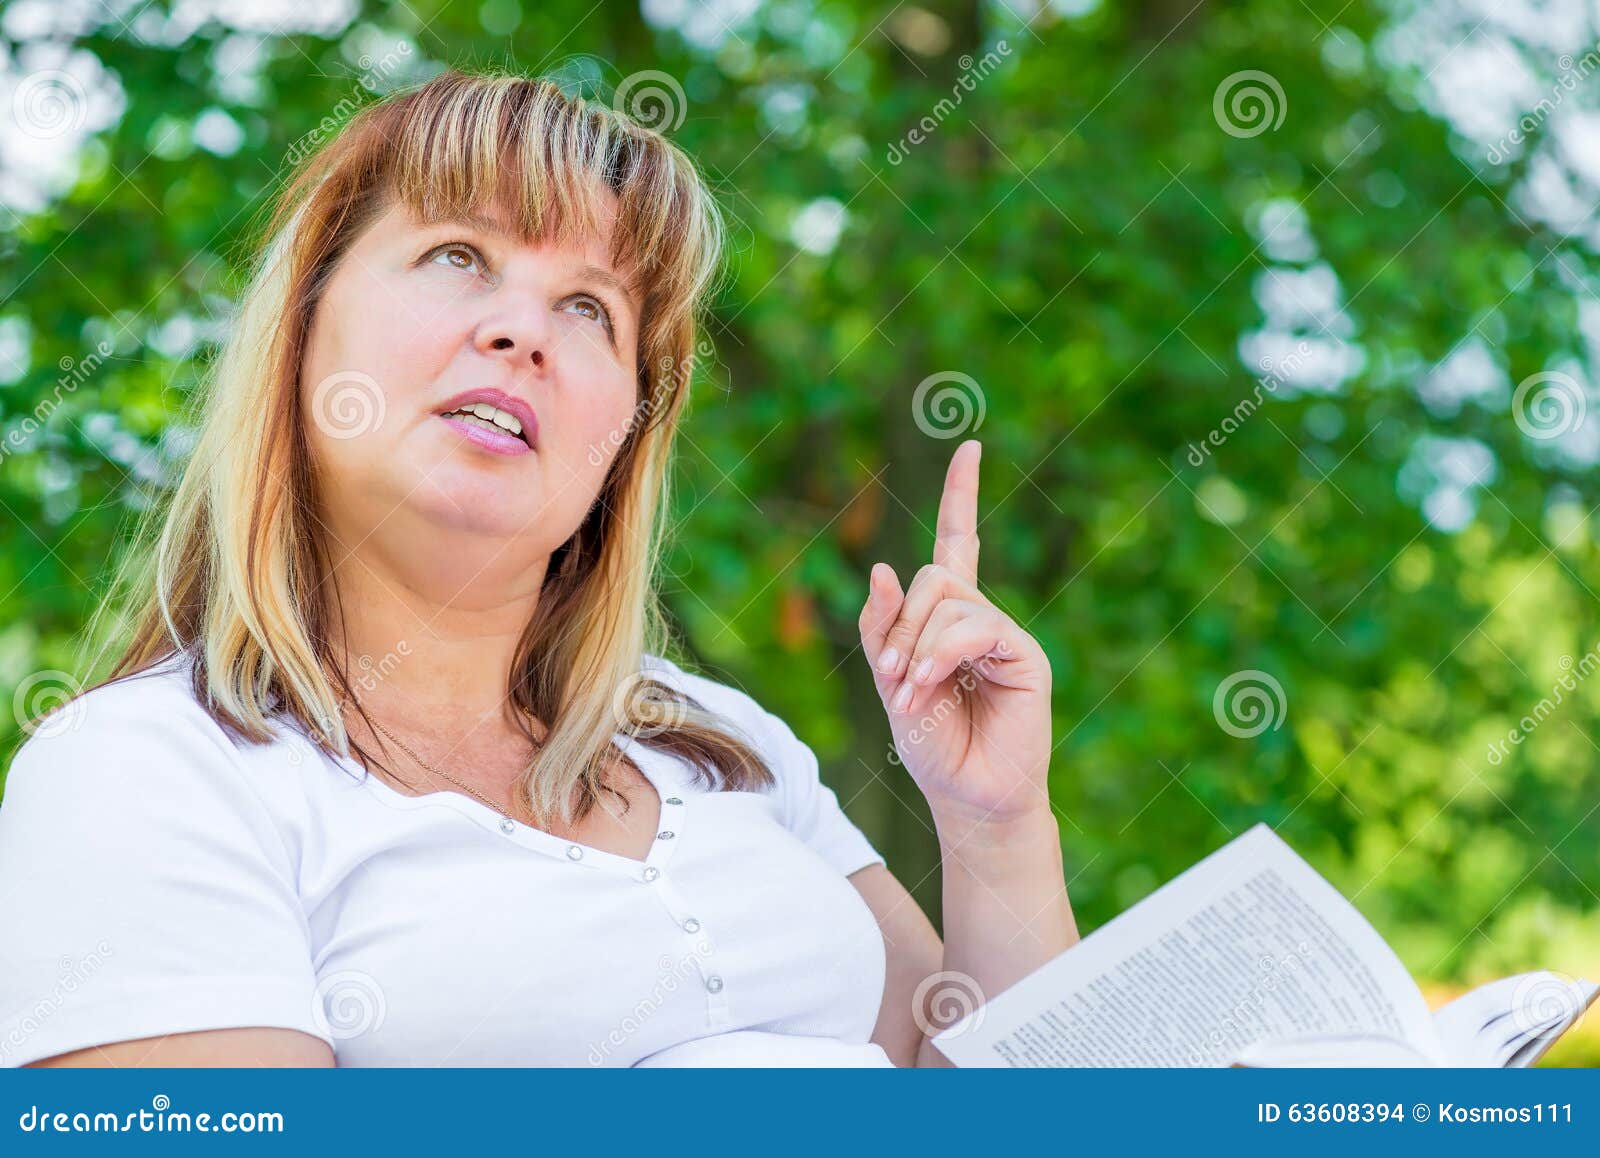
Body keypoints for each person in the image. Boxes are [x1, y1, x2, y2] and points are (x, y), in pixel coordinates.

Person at [0, 69, 1075, 1068]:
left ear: (624, 437)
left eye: (588, 309)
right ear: (302, 324)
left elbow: (984, 1109)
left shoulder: (730, 743)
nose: (524, 333)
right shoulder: (144, 770)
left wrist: (995, 829)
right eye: (458, 256)